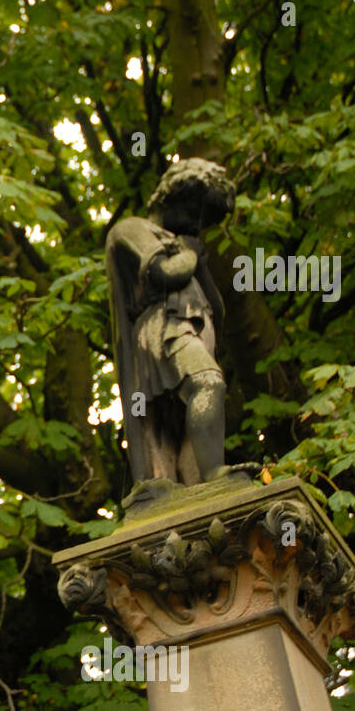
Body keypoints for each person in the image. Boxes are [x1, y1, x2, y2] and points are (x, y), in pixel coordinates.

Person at [104, 158, 240, 488]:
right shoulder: (134, 228)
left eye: (206, 220)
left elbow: (218, 311)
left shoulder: (184, 246)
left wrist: (200, 265)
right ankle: (215, 476)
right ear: (173, 195)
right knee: (207, 383)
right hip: (164, 329)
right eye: (195, 212)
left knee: (186, 429)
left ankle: (201, 488)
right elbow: (163, 273)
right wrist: (190, 255)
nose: (198, 224)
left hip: (191, 328)